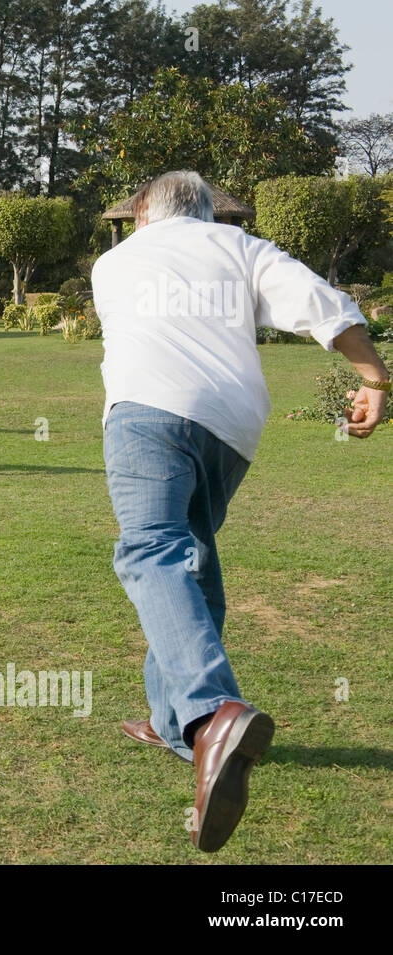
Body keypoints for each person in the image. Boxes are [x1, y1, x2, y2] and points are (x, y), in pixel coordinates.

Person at [91, 170, 389, 852]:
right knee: (191, 557)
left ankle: (210, 711)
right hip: (231, 424)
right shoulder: (243, 248)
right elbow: (321, 302)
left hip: (145, 410)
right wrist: (374, 377)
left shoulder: (113, 263)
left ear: (143, 216)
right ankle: (171, 722)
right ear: (211, 213)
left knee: (151, 549)